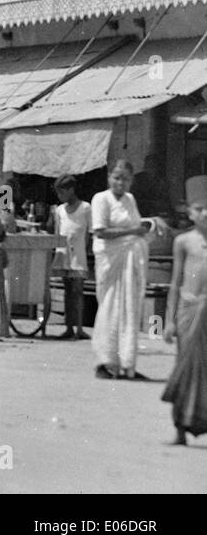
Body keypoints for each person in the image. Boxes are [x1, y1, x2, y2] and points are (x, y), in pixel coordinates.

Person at [90, 159, 149, 380]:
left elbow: (136, 225)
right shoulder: (100, 199)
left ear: (131, 181)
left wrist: (140, 230)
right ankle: (104, 362)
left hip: (129, 262)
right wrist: (133, 231)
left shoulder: (130, 200)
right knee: (109, 309)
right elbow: (101, 232)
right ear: (109, 178)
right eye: (116, 177)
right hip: (110, 261)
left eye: (125, 179)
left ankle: (126, 363)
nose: (120, 183)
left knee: (129, 311)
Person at [162, 176, 207, 444]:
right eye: (199, 208)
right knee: (184, 368)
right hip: (188, 311)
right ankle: (179, 428)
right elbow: (175, 283)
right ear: (189, 211)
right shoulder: (183, 242)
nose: (205, 213)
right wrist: (167, 322)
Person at [48, 174, 91, 340]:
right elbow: (57, 232)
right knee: (67, 291)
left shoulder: (86, 208)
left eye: (62, 192)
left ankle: (79, 328)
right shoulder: (59, 210)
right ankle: (68, 327)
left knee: (78, 291)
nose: (60, 196)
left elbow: (88, 232)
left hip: (78, 254)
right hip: (63, 254)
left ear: (71, 190)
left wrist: (85, 251)